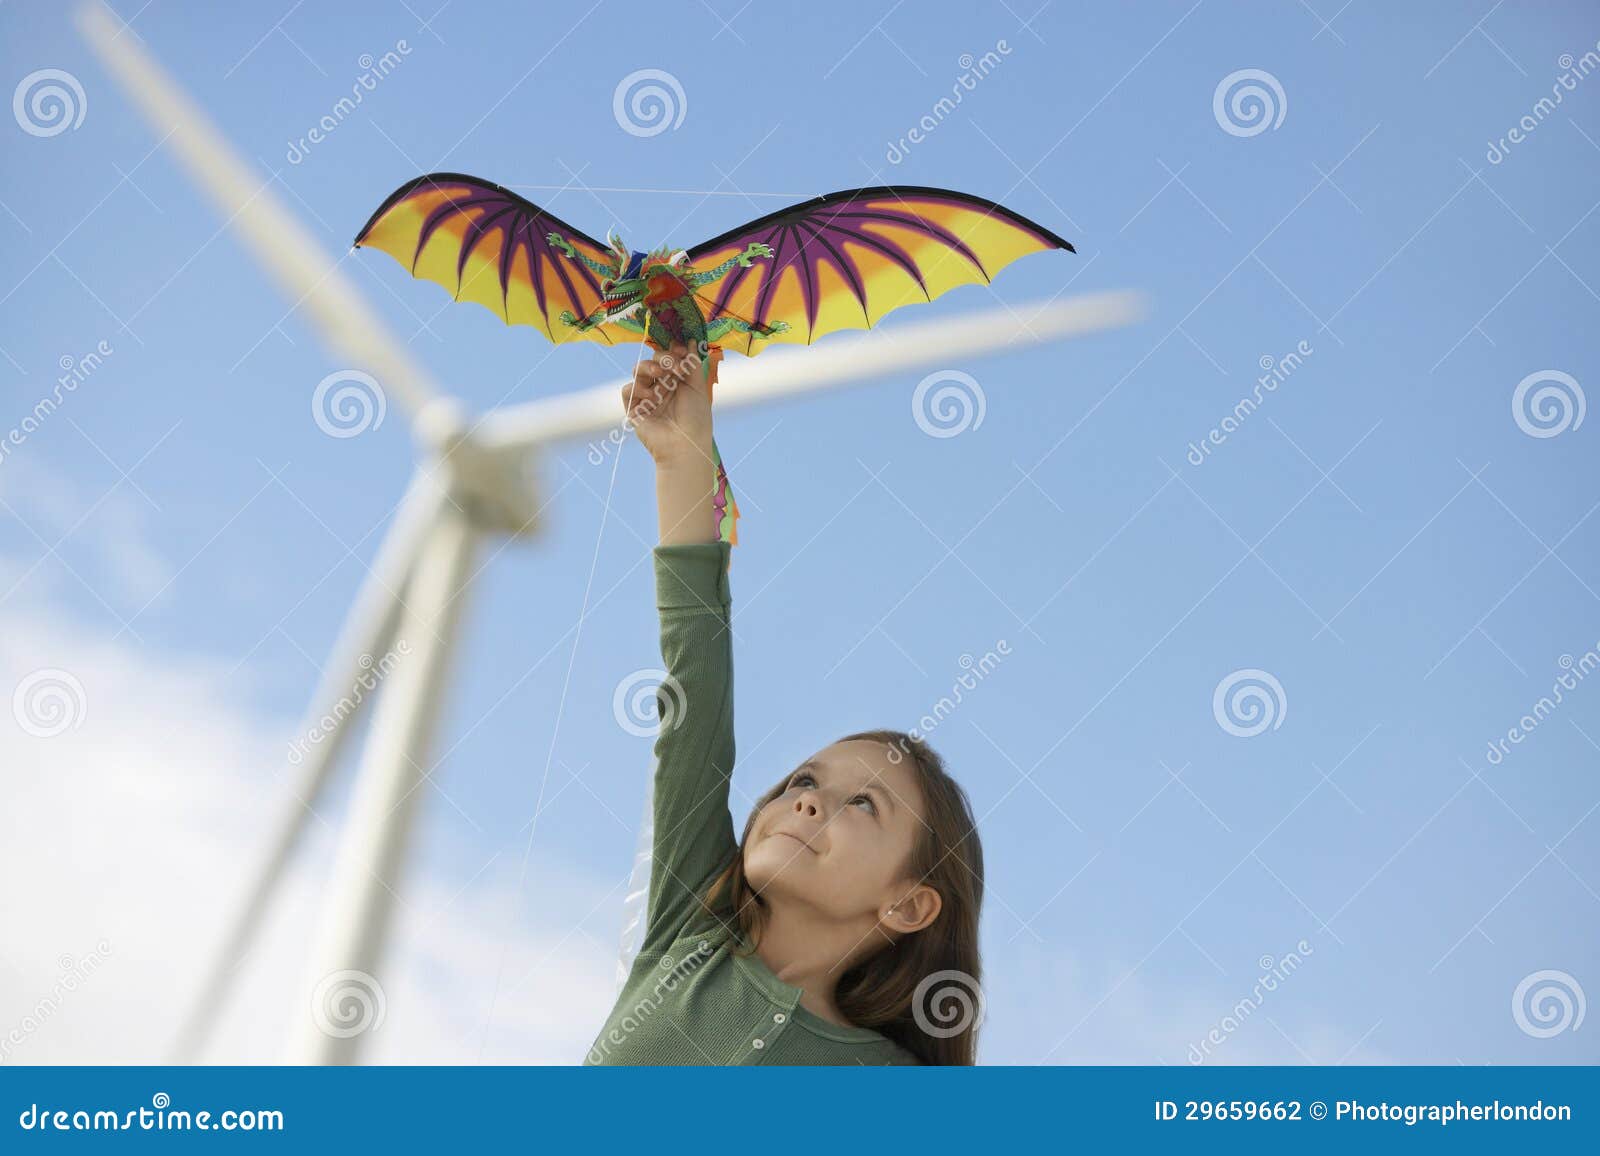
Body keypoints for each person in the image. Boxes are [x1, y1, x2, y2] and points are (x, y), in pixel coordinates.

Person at [584, 343, 987, 1066]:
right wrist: (682, 457)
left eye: (862, 804)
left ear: (909, 904)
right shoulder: (689, 930)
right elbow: (695, 683)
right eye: (804, 781)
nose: (808, 802)